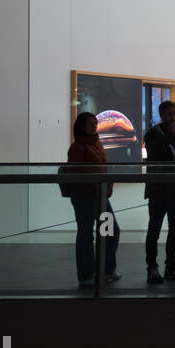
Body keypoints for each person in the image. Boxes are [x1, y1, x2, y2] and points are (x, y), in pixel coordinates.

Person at [63, 112, 121, 288]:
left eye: (95, 123)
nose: (94, 126)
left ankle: (106, 269)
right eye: (90, 124)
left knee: (111, 231)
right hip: (85, 197)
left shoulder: (96, 144)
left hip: (100, 196)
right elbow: (79, 174)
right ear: (82, 126)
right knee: (87, 234)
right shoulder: (77, 148)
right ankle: (86, 274)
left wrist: (107, 188)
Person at [142, 99, 175, 285]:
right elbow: (156, 156)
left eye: (174, 113)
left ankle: (171, 265)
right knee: (154, 229)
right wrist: (169, 136)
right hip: (158, 191)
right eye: (169, 114)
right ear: (161, 115)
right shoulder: (152, 135)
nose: (172, 117)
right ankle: (152, 267)